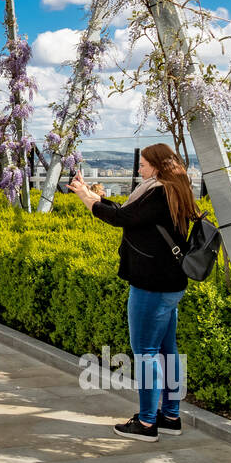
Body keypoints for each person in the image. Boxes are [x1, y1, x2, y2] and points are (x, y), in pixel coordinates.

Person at [67, 142, 197, 443]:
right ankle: (170, 416)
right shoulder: (172, 188)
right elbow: (132, 215)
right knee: (167, 351)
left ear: (157, 165)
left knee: (146, 353)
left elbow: (121, 218)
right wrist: (90, 196)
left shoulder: (159, 191)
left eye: (143, 164)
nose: (139, 168)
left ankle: (147, 422)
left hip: (151, 284)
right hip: (170, 284)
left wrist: (89, 201)